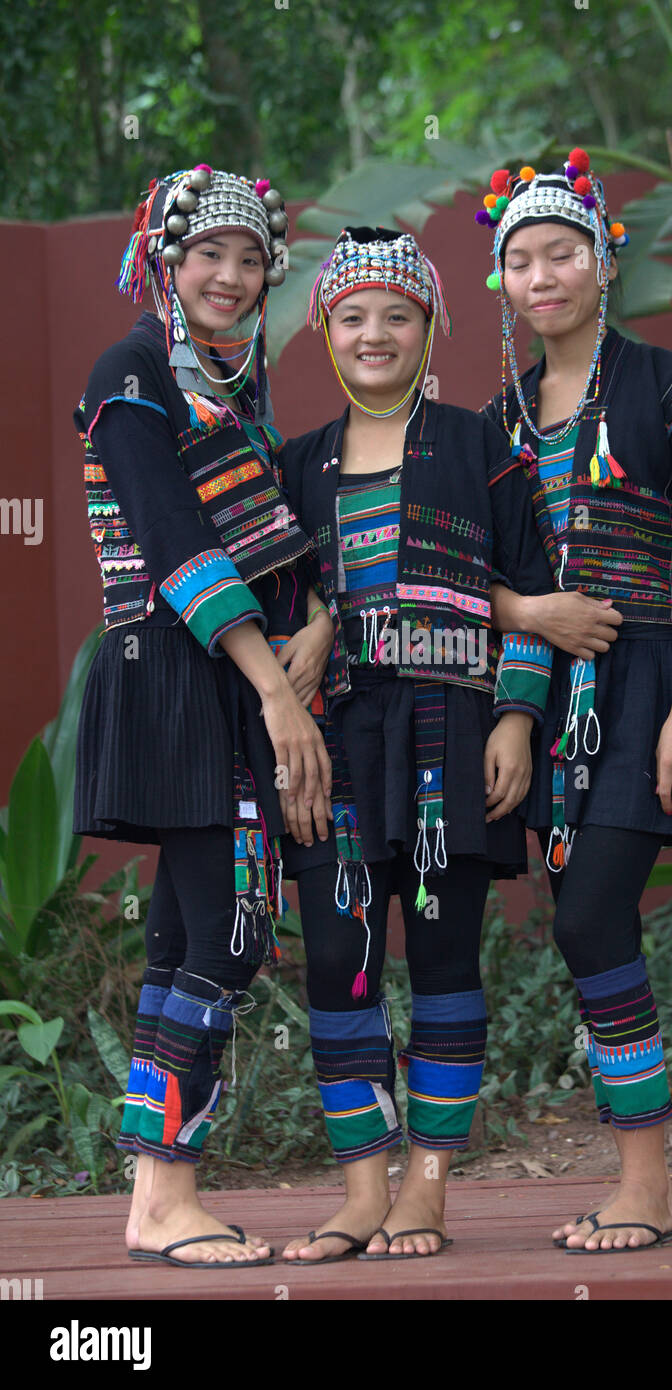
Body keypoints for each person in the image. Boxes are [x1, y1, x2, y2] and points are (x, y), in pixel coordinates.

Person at [476, 148, 672, 1252]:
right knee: (578, 921)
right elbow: (502, 578)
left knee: (591, 912)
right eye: (521, 260)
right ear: (502, 282)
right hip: (557, 704)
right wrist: (510, 706)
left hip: (651, 686)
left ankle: (647, 1180)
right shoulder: (501, 421)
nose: (543, 275)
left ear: (602, 260)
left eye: (562, 252)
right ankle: (640, 1172)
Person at [73, 165, 334, 1267]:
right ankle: (170, 1194)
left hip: (220, 678)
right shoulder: (132, 374)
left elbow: (274, 550)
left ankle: (153, 1197)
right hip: (176, 678)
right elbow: (178, 548)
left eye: (250, 259)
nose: (230, 276)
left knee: (188, 937)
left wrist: (314, 625)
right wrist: (279, 693)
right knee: (230, 930)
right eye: (208, 255)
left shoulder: (230, 393)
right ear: (164, 260)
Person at [279, 226, 556, 1262]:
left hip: (452, 733)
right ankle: (361, 1190)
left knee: (443, 962)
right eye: (352, 316)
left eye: (396, 314)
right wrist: (312, 624)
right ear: (324, 330)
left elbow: (524, 588)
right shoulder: (296, 464)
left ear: (429, 325)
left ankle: (428, 1186)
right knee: (340, 967)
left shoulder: (478, 443)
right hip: (336, 747)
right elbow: (279, 608)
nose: (374, 333)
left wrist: (520, 717)